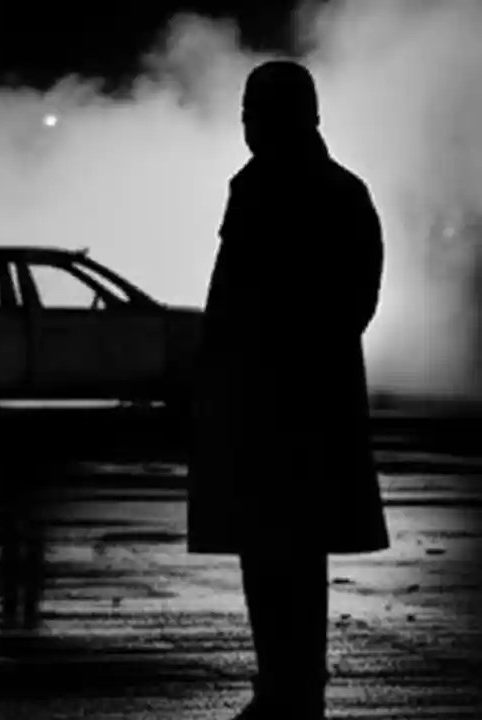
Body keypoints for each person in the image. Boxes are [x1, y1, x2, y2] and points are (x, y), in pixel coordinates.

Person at [187, 60, 388, 719]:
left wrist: (263, 356)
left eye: (255, 112)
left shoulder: (299, 193)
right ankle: (288, 683)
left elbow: (343, 300)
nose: (247, 126)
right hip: (289, 403)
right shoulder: (319, 189)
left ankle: (291, 687)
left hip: (285, 406)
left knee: (284, 553)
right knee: (280, 551)